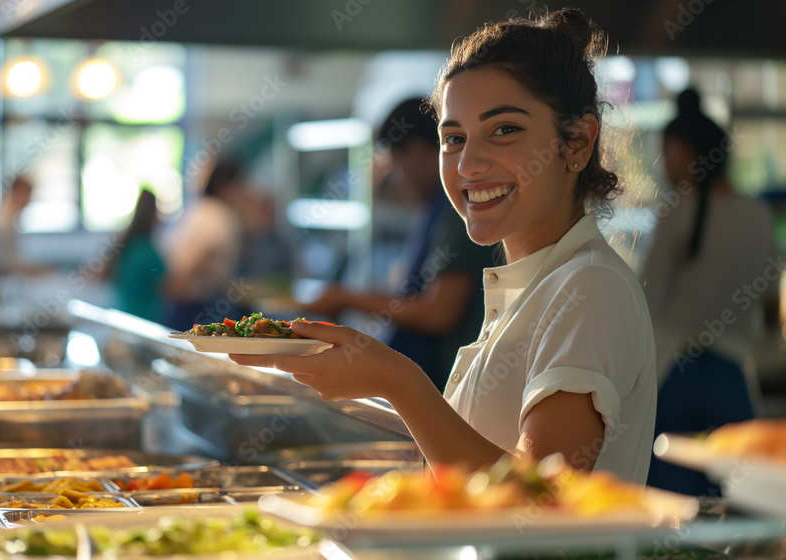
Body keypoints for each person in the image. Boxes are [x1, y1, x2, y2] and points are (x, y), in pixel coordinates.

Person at [231, 8, 657, 483]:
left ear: (577, 143)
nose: (469, 164)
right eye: (453, 138)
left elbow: (539, 499)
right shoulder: (535, 286)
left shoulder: (589, 287)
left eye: (505, 130)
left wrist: (397, 381)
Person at [304, 98, 497, 389]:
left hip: (451, 382)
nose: (395, 179)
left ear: (418, 151)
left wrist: (346, 299)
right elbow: (415, 296)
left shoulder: (458, 211)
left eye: (395, 163)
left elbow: (437, 313)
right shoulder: (433, 209)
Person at [641, 88, 779, 494]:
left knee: (668, 503)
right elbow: (771, 301)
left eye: (665, 151)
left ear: (683, 151)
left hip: (671, 375)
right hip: (732, 377)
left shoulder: (674, 214)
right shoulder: (756, 214)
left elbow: (644, 301)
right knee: (735, 502)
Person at [161, 161, 247, 328]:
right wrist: (182, 283)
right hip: (195, 300)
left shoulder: (196, 208)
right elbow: (205, 254)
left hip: (182, 297)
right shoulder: (220, 213)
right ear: (227, 186)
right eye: (240, 186)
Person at [0, 174, 54, 298]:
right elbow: (9, 265)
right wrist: (38, 272)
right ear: (17, 192)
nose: (29, 200)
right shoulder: (3, 222)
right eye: (28, 194)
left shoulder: (6, 217)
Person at [104, 189, 167, 324]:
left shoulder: (126, 246)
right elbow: (172, 289)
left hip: (121, 321)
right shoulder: (146, 251)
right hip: (143, 325)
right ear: (153, 214)